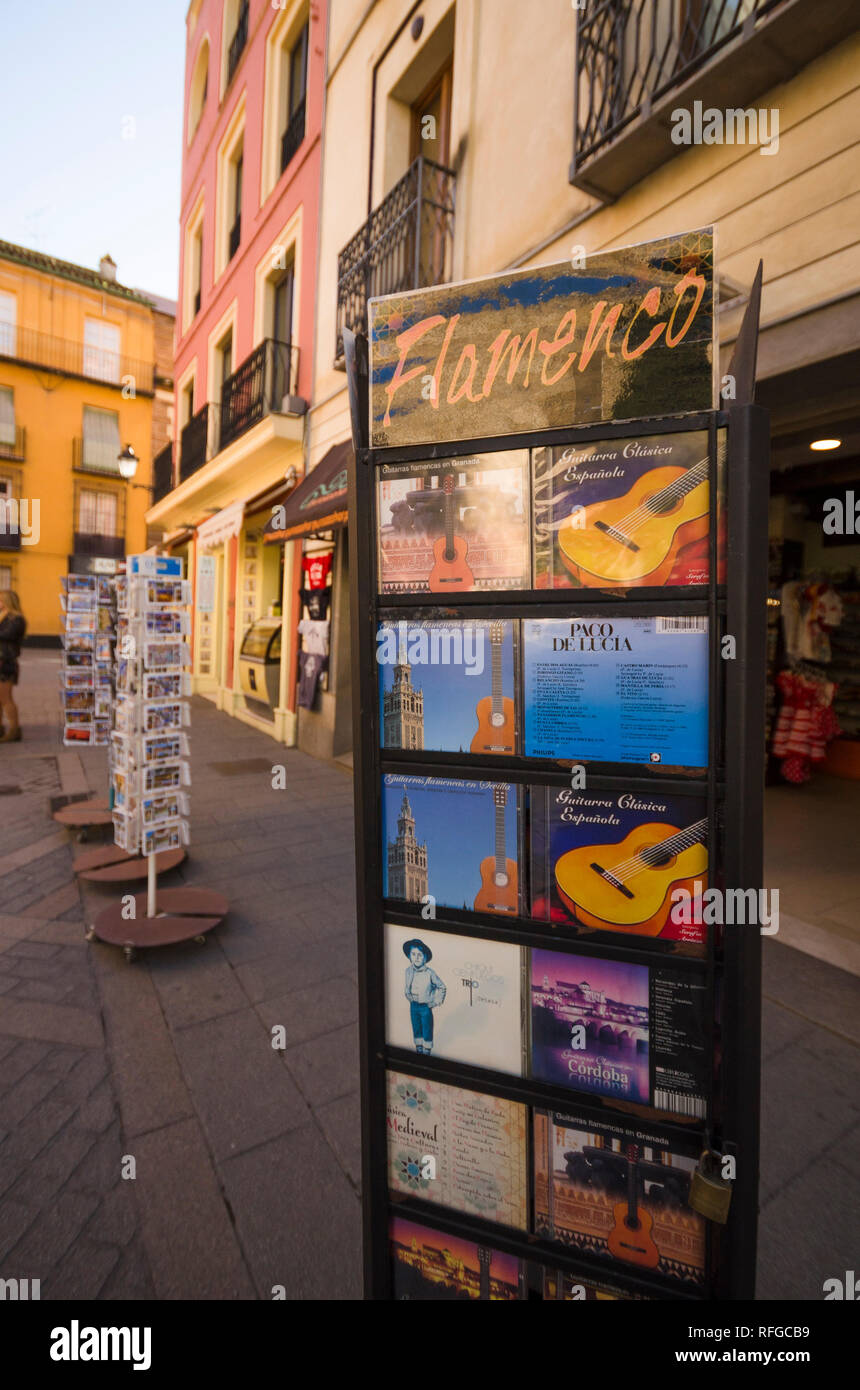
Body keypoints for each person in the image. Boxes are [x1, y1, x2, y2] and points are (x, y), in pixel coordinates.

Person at [402, 938, 446, 1055]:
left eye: (420, 955)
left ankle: (426, 1052)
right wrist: (408, 995)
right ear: (409, 956)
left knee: (426, 1030)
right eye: (413, 954)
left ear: (425, 958)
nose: (416, 958)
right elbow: (407, 986)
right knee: (416, 1028)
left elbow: (442, 987)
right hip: (413, 1006)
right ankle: (419, 1050)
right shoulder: (408, 971)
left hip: (425, 1007)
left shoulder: (430, 973)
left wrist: (435, 1002)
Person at [0, 590, 26, 742]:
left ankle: (14, 730)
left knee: (5, 698)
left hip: (6, 662)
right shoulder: (3, 616)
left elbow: (7, 635)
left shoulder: (16, 619)